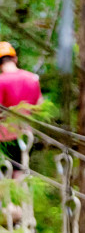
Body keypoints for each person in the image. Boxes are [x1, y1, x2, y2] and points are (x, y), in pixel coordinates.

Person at [0, 41, 42, 179]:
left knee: (7, 177)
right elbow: (39, 107)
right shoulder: (32, 78)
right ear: (15, 59)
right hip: (26, 135)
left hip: (5, 137)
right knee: (20, 175)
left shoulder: (1, 81)